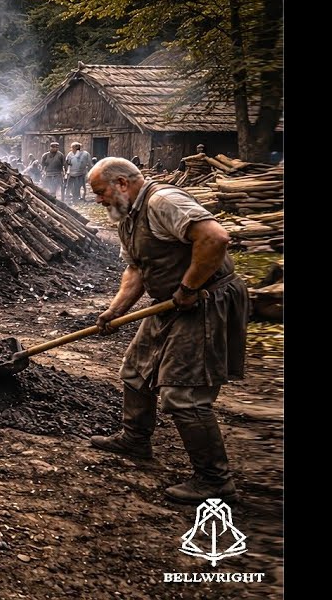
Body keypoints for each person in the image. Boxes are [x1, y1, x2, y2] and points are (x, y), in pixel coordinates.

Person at [86, 158, 248, 503]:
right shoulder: (127, 217)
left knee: (182, 392)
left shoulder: (163, 201)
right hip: (170, 302)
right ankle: (135, 439)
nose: (98, 200)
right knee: (136, 371)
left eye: (100, 192)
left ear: (122, 184)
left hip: (204, 299)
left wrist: (189, 288)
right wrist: (115, 310)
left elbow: (215, 238)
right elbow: (137, 270)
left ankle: (215, 479)